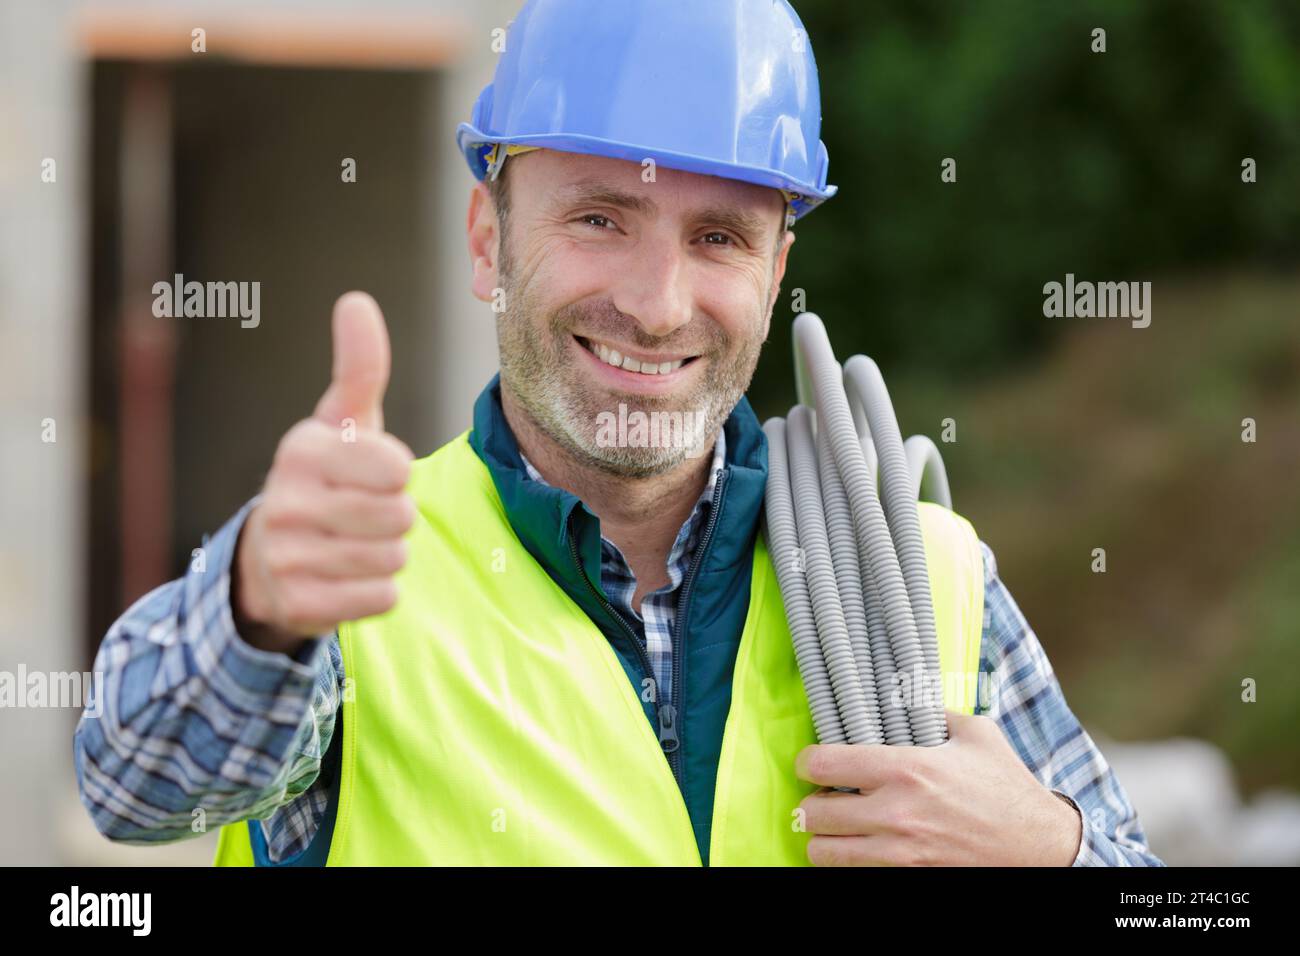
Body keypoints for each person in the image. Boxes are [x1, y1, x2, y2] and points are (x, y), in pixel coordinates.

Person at [73, 0, 1163, 866]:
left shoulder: (927, 580)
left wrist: (1050, 850)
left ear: (775, 270)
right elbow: (130, 786)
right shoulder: (352, 591)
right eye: (599, 218)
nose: (656, 302)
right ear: (489, 239)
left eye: (720, 236)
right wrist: (255, 604)